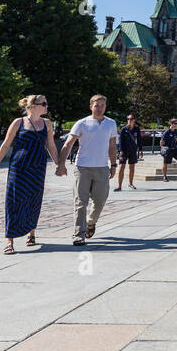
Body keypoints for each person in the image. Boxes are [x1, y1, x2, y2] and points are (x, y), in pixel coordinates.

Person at [0, 95, 64, 254]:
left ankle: (31, 233)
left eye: (46, 103)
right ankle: (9, 240)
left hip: (37, 168)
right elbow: (6, 144)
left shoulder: (47, 123)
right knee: (13, 201)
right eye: (43, 103)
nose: (46, 106)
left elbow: (50, 145)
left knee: (34, 199)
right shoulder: (18, 122)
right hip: (19, 168)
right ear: (33, 106)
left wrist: (59, 164)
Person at [56, 94, 118, 245]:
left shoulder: (111, 123)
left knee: (101, 200)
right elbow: (68, 144)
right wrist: (61, 164)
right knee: (80, 202)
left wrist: (114, 164)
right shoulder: (82, 123)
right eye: (97, 105)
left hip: (102, 167)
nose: (100, 108)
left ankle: (91, 222)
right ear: (91, 106)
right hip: (83, 167)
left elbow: (112, 146)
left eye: (103, 105)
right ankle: (79, 233)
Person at [115, 114, 141, 191]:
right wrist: (121, 152)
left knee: (132, 167)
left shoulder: (136, 129)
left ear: (134, 120)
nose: (129, 120)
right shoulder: (124, 129)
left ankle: (130, 183)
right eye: (128, 119)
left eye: (131, 119)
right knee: (121, 167)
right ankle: (119, 186)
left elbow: (139, 139)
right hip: (124, 151)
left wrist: (141, 149)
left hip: (133, 150)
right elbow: (120, 141)